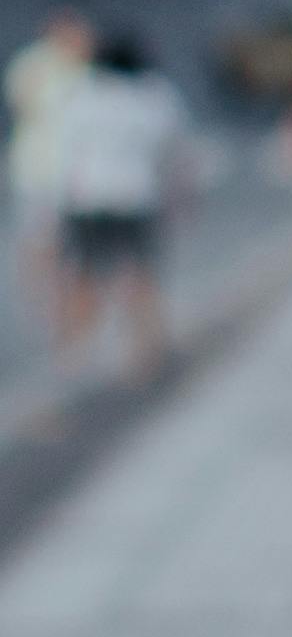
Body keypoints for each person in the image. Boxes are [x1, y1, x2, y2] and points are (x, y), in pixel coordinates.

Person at [52, 26, 191, 385]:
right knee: (141, 275)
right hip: (137, 195)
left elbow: (67, 151)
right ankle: (146, 348)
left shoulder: (83, 94)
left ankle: (77, 350)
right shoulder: (156, 96)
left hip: (88, 196)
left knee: (85, 275)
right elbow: (172, 152)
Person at [6, 5, 92, 328]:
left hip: (74, 172)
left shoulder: (84, 65)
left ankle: (65, 301)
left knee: (69, 242)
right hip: (38, 169)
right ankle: (40, 299)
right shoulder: (34, 64)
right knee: (38, 238)